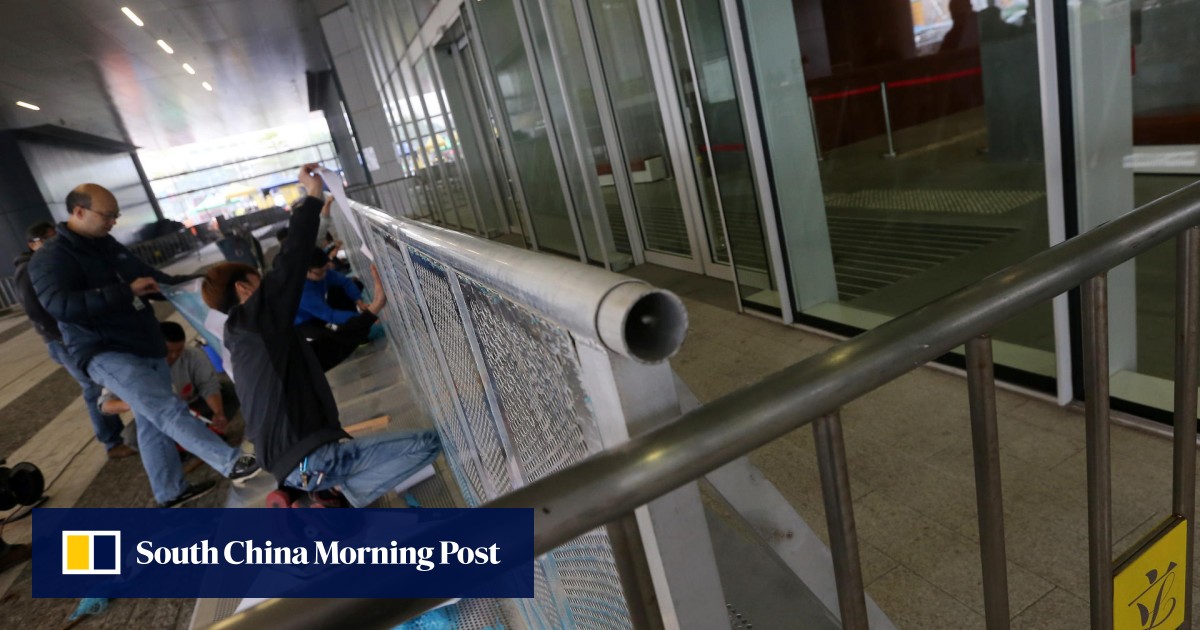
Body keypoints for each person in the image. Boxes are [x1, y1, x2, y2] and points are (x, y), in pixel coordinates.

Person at [201, 164, 440, 508]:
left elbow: (325, 352)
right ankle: (329, 500)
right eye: (258, 281)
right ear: (243, 288)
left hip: (289, 462)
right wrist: (312, 195)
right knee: (426, 445)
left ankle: (306, 491)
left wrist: (370, 312)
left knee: (389, 455)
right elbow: (292, 259)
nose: (268, 287)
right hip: (313, 457)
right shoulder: (252, 320)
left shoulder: (250, 340)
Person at [29, 183, 261, 508]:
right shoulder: (51, 258)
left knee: (152, 422)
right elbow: (59, 306)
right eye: (107, 215)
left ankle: (170, 493)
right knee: (166, 408)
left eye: (115, 215)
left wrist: (202, 284)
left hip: (143, 342)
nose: (113, 221)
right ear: (78, 212)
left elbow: (151, 279)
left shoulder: (106, 245)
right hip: (103, 350)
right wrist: (126, 291)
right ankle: (232, 462)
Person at [12, 222, 135, 459]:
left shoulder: (50, 262)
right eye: (45, 240)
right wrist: (63, 334)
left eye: (54, 238)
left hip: (71, 335)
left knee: (98, 384)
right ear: (32, 244)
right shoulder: (28, 270)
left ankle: (113, 437)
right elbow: (36, 311)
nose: (51, 243)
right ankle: (111, 442)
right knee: (93, 387)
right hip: (62, 340)